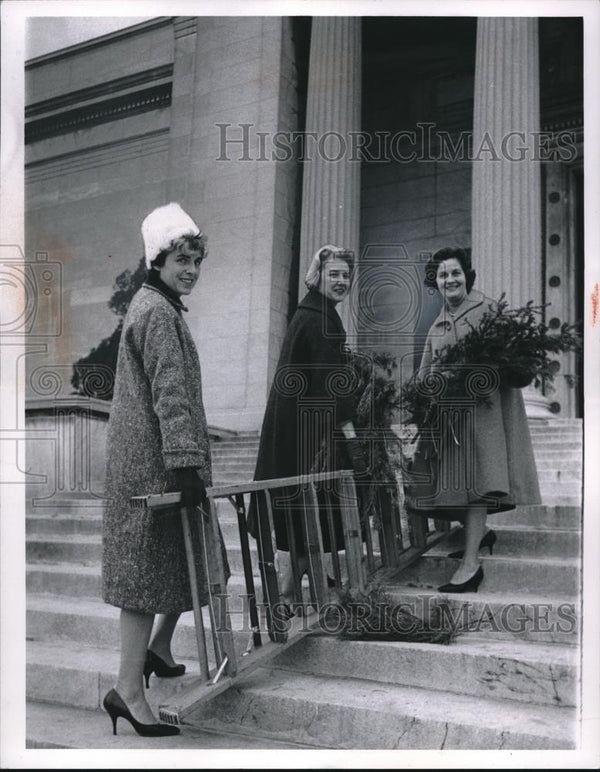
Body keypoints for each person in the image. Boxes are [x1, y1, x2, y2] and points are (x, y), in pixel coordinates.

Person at [102, 202, 219, 736]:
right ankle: (128, 692)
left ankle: (156, 653)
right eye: (181, 260)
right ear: (158, 260)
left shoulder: (155, 306)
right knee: (145, 582)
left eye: (196, 260)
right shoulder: (157, 313)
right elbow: (169, 395)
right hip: (156, 468)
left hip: (153, 465)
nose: (191, 270)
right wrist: (186, 464)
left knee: (176, 568)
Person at [406, 247, 541, 593]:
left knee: (478, 482)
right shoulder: (437, 325)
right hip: (451, 418)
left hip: (484, 415)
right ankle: (479, 534)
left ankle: (470, 565)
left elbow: (516, 363)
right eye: (443, 275)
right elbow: (424, 375)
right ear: (435, 282)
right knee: (454, 482)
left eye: (455, 273)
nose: (450, 279)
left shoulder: (488, 311)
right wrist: (425, 396)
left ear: (467, 275)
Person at [249, 245, 367, 609]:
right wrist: (353, 439)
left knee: (303, 511)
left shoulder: (312, 313)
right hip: (306, 435)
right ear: (318, 277)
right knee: (310, 510)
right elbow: (332, 387)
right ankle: (286, 596)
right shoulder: (320, 319)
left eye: (346, 275)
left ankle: (293, 591)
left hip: (294, 430)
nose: (342, 281)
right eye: (334, 274)